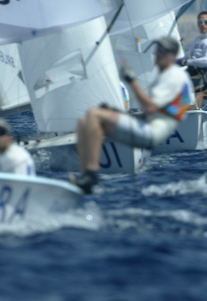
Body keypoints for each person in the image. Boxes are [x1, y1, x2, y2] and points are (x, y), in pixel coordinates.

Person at [72, 36, 194, 194]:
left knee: (93, 115)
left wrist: (132, 81)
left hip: (151, 133)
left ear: (173, 55)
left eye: (164, 51)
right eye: (158, 49)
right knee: (84, 121)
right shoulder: (166, 76)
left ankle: (91, 175)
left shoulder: (174, 76)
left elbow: (150, 107)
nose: (158, 53)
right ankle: (85, 178)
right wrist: (114, 113)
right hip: (147, 126)